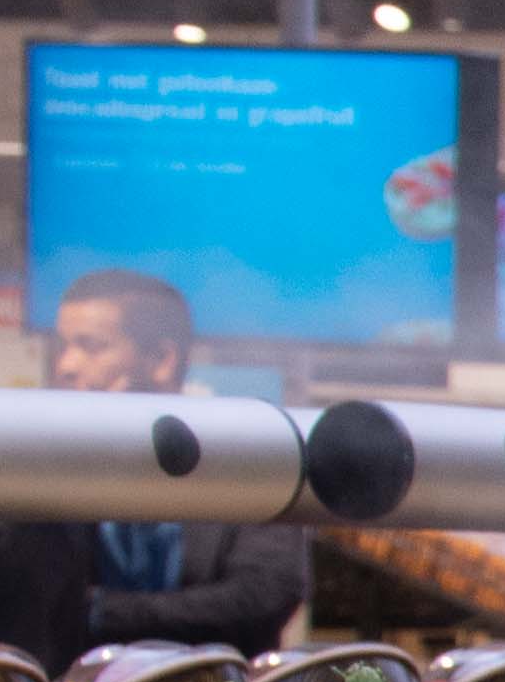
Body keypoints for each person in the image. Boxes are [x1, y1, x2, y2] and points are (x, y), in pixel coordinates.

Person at [37, 274, 309, 653]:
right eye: (63, 346)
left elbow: (264, 594)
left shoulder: (245, 456)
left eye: (92, 347)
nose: (66, 365)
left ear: (162, 361)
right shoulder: (44, 462)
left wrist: (104, 612)